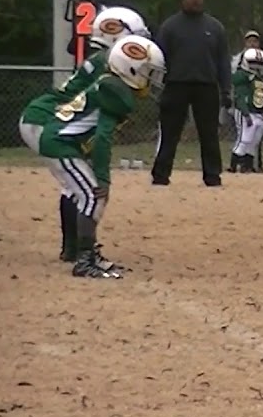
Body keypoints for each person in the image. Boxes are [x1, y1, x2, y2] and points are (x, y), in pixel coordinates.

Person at [19, 35, 165, 278]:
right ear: (131, 66)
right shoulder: (116, 92)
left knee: (87, 194)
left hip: (61, 141)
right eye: (148, 70)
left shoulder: (111, 83)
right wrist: (103, 178)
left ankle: (85, 253)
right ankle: (84, 259)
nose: (152, 78)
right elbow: (103, 138)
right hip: (60, 144)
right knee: (92, 195)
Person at [52, 5, 150, 263]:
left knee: (71, 187)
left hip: (68, 121)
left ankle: (71, 246)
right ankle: (78, 247)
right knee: (80, 188)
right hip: (72, 126)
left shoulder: (98, 60)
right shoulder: (109, 63)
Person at [151, 0, 231, 187]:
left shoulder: (214, 27)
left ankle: (212, 175)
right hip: (176, 84)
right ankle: (161, 174)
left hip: (206, 85)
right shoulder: (170, 26)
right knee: (170, 132)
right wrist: (158, 85)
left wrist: (226, 89)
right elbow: (158, 58)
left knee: (209, 133)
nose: (195, 1)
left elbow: (223, 61)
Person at [229, 48, 263, 173]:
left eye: (259, 64)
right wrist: (245, 113)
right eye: (253, 63)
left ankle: (247, 165)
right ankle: (234, 165)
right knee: (244, 138)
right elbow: (240, 96)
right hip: (246, 112)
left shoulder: (259, 78)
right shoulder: (242, 76)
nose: (256, 67)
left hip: (258, 113)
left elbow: (260, 97)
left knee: (254, 140)